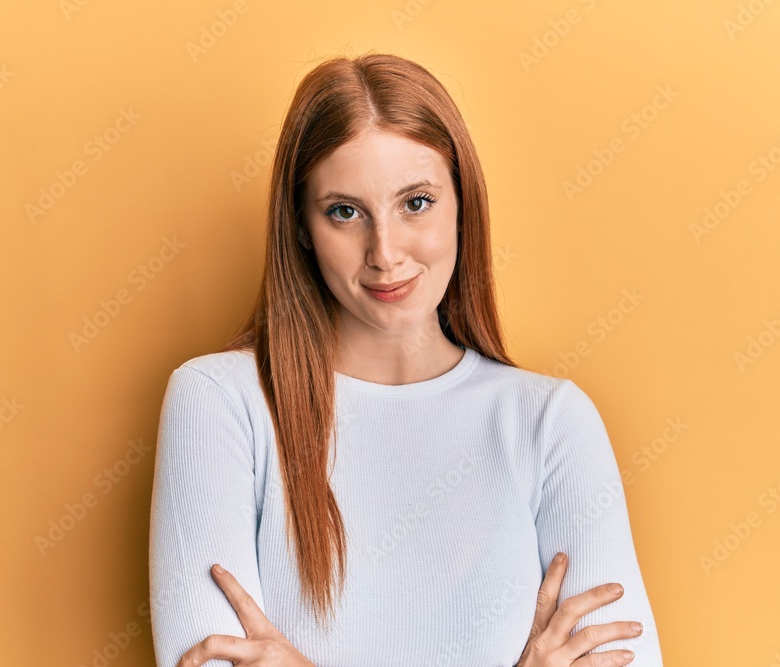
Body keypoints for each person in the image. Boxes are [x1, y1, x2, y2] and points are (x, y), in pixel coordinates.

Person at [148, 51, 664, 666]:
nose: (385, 253)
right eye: (345, 212)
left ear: (462, 202)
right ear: (302, 226)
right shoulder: (220, 403)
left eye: (415, 202)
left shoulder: (550, 422)